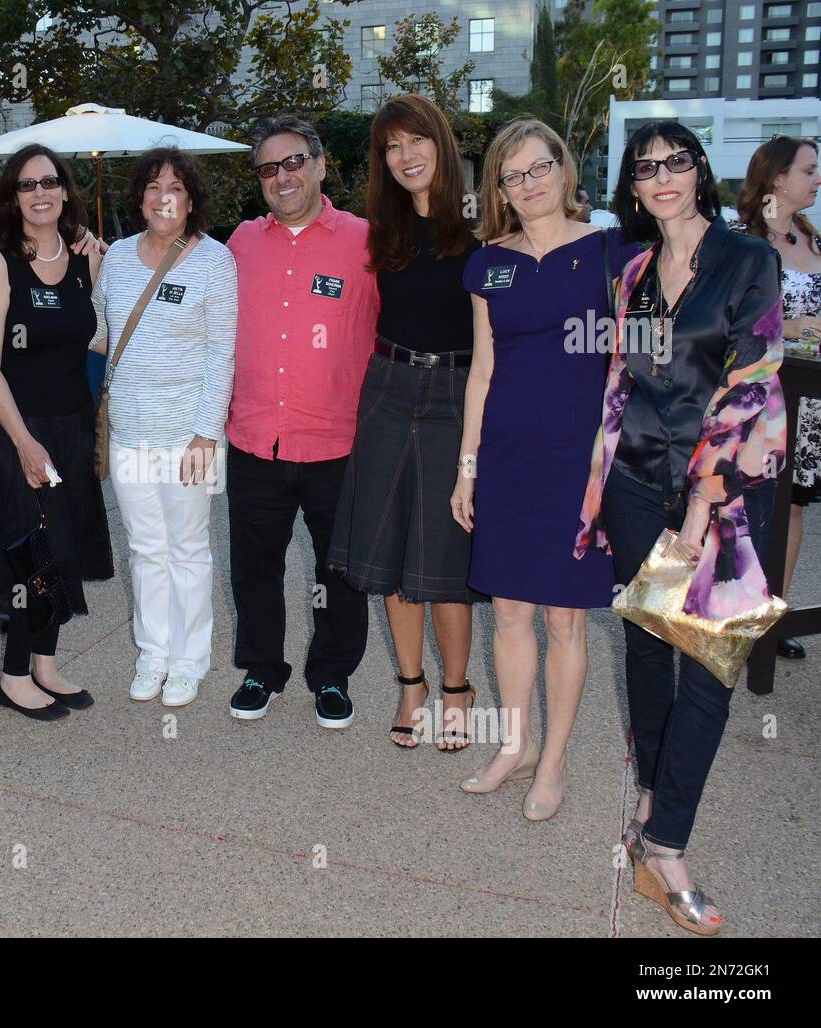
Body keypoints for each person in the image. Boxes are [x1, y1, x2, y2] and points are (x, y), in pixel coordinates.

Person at [578, 121, 785, 935]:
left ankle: (663, 849)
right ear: (632, 187)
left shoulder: (748, 261)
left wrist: (702, 503)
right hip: (634, 482)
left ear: (701, 173)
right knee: (648, 644)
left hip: (724, 497)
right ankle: (654, 795)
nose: (663, 177)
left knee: (708, 665)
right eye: (647, 167)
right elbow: (623, 374)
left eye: (678, 162)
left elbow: (751, 382)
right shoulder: (623, 264)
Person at [452, 119, 631, 819]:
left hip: (580, 464)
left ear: (564, 169)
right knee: (509, 611)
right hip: (507, 458)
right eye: (511, 176)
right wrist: (467, 468)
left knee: (565, 619)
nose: (527, 185)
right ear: (497, 188)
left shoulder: (613, 251)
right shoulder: (487, 263)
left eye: (538, 169)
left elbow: (639, 358)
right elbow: (482, 372)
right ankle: (516, 744)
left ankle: (552, 762)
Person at [328, 94, 480, 751]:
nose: (405, 155)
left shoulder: (483, 225)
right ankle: (411, 684)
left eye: (416, 140)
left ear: (440, 145)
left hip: (456, 390)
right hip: (388, 387)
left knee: (444, 554)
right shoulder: (380, 230)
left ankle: (456, 688)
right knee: (389, 553)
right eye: (392, 147)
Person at [225, 115, 377, 729]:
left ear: (319, 164)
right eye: (268, 168)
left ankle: (332, 676)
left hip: (338, 444)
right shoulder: (238, 243)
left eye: (293, 163)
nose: (282, 177)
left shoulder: (368, 241)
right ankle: (262, 668)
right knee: (254, 568)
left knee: (338, 572)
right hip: (255, 439)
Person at [91, 146, 237, 708]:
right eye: (152, 185)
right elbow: (103, 338)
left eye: (175, 185)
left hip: (188, 435)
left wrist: (206, 432)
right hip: (130, 429)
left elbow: (221, 354)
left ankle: (189, 659)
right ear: (140, 198)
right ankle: (153, 652)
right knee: (145, 547)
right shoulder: (119, 260)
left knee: (189, 547)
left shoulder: (214, 261)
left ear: (191, 197)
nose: (163, 195)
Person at [0, 144, 114, 720]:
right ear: (13, 196)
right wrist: (24, 442)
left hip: (72, 427)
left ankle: (46, 664)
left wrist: (100, 256)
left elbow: (97, 338)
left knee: (62, 548)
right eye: (27, 185)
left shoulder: (86, 260)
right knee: (30, 552)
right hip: (17, 431)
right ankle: (12, 675)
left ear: (64, 191)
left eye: (49, 182)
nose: (40, 194)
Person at [737, 135, 821, 661]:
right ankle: (732, 613)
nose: (817, 179)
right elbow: (733, 318)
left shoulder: (813, 242)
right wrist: (796, 324)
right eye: (809, 170)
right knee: (748, 504)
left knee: (793, 506)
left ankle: (773, 613)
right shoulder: (744, 242)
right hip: (761, 395)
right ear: (776, 179)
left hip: (810, 402)